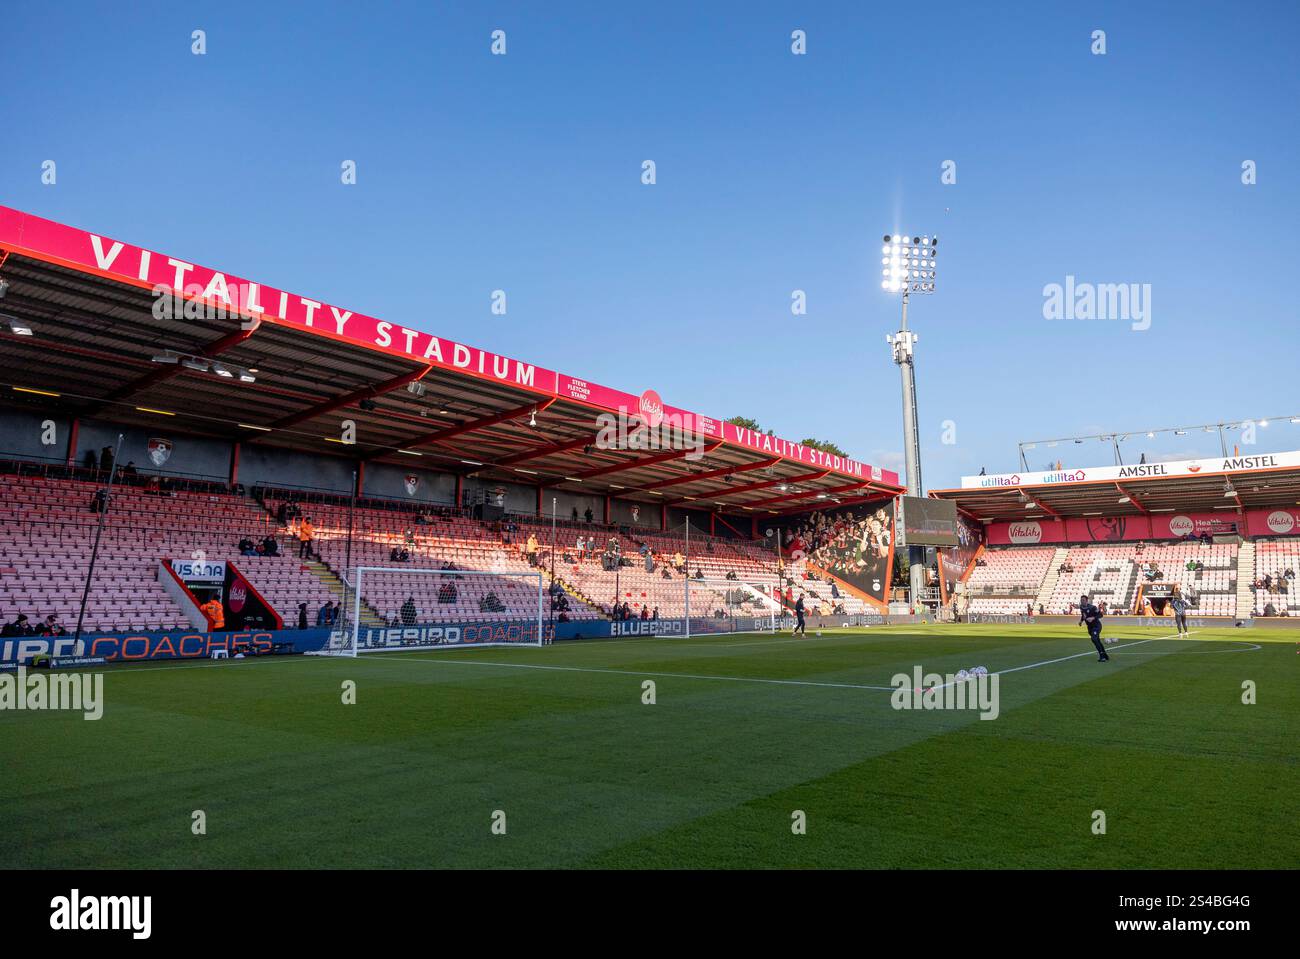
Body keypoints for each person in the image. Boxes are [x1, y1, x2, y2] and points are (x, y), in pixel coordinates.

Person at [1078, 593, 1109, 662]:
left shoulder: (1092, 607)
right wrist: (1081, 621)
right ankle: (1105, 655)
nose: (1082, 601)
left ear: (1087, 601)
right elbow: (1083, 615)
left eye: (1083, 600)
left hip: (1096, 626)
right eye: (1081, 600)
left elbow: (1101, 615)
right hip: (1090, 627)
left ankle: (1102, 656)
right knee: (1097, 640)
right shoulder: (1081, 607)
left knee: (1094, 639)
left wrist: (1093, 618)